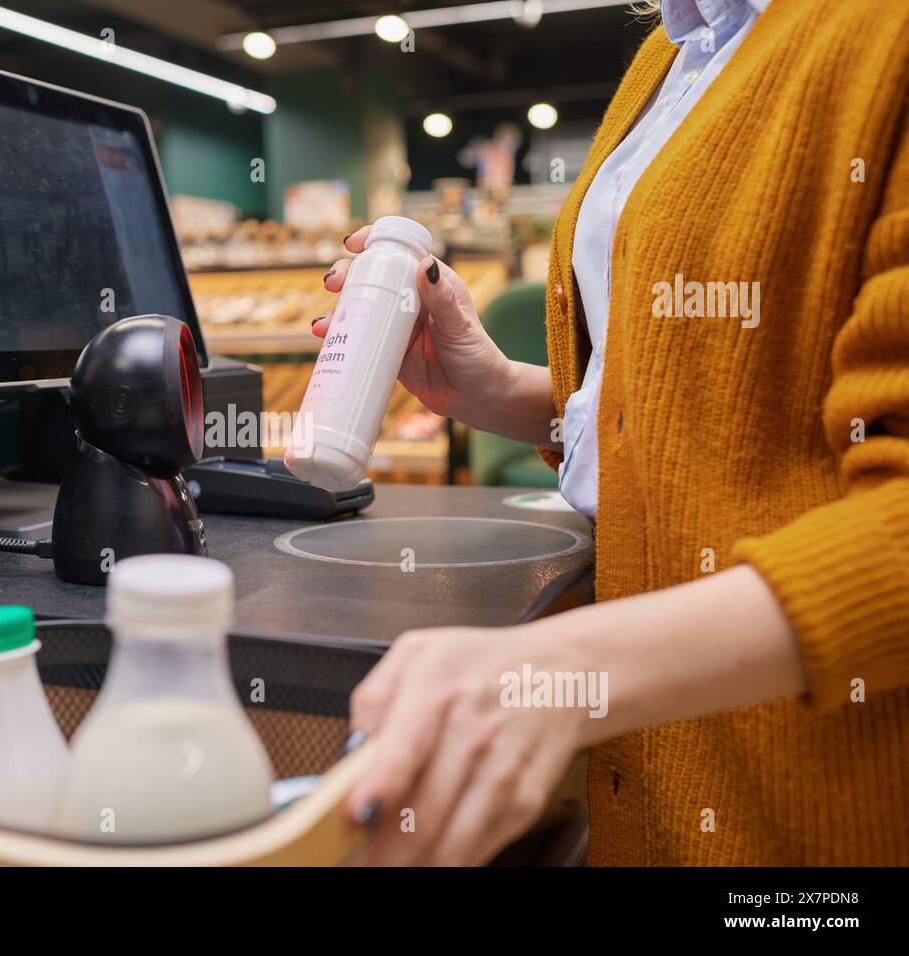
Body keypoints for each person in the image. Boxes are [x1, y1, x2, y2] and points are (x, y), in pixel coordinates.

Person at [323, 0, 909, 865]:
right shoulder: (668, 55)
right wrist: (505, 389)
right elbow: (723, 402)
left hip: (819, 820)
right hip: (658, 793)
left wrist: (575, 673)